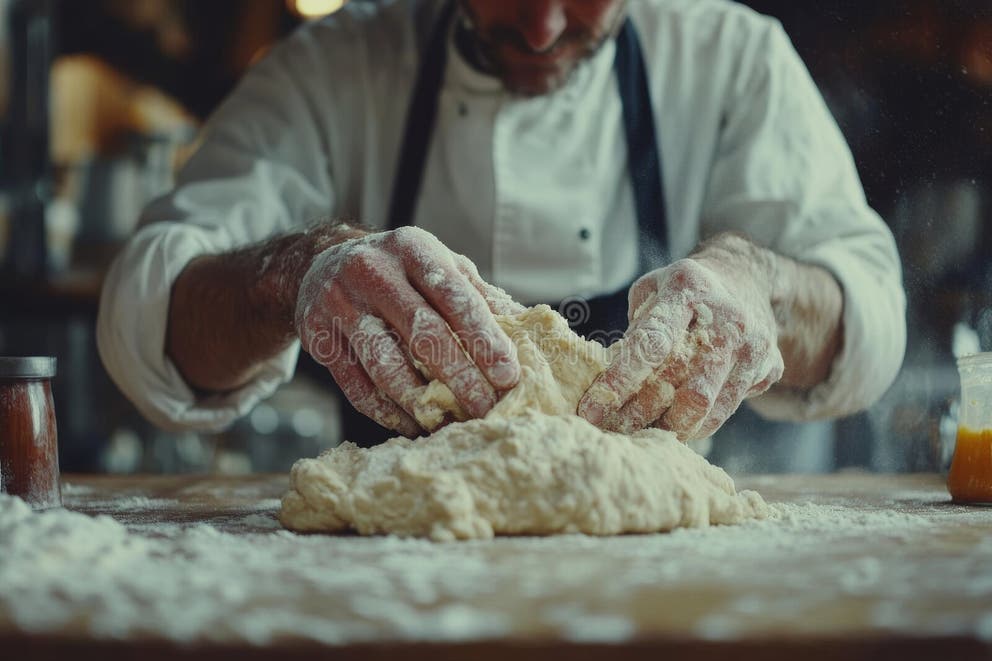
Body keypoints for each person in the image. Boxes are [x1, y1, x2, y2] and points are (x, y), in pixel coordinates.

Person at [97, 0, 906, 456]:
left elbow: (869, 316)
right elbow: (147, 322)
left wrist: (760, 285)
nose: (544, 28)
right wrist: (296, 271)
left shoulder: (731, 61)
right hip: (389, 598)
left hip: (665, 596)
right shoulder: (337, 70)